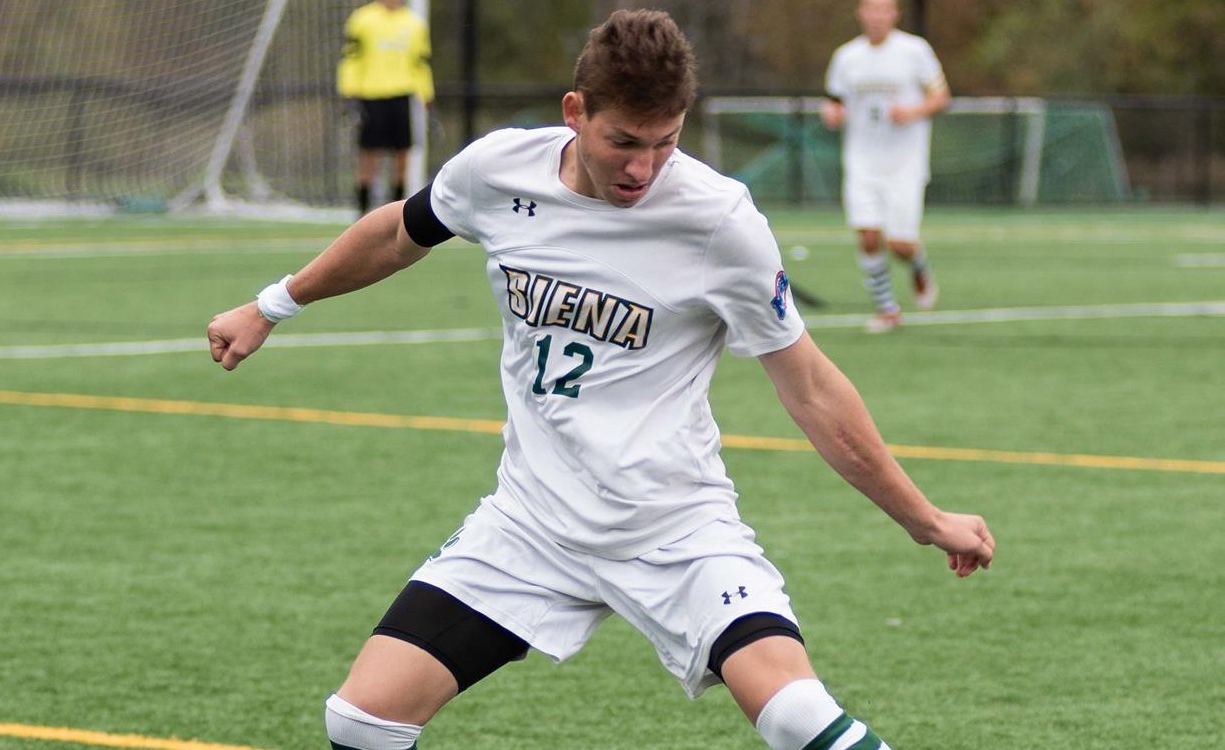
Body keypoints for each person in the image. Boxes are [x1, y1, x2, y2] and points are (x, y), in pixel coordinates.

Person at [209, 9, 993, 749]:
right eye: (623, 141)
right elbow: (398, 232)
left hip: (672, 530)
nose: (643, 167)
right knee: (360, 723)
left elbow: (811, 387)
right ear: (575, 109)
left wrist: (921, 517)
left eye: (666, 141)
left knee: (793, 715)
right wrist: (274, 304)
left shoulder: (719, 222)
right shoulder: (497, 170)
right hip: (530, 524)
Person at [820, 0, 951, 334]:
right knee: (867, 236)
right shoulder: (846, 57)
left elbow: (941, 96)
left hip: (905, 162)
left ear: (894, 14)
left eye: (884, 10)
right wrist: (832, 115)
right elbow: (834, 103)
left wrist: (912, 111)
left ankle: (918, 264)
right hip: (862, 160)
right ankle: (888, 310)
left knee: (899, 244)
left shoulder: (915, 50)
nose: (877, 16)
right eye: (871, 9)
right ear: (860, 14)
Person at [337, 0, 434, 216]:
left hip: (402, 96)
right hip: (370, 95)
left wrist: (426, 94)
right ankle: (362, 212)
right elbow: (351, 58)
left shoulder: (414, 23)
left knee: (402, 155)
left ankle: (397, 212)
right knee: (370, 154)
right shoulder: (362, 19)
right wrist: (348, 89)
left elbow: (420, 63)